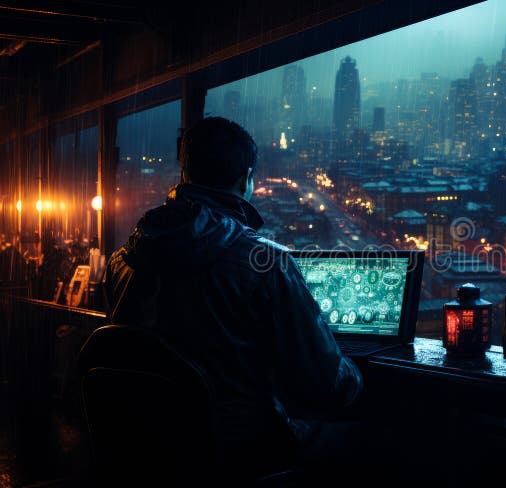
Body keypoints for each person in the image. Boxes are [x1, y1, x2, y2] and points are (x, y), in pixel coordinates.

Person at [103, 116, 363, 482]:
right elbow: (325, 385)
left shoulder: (121, 263)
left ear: (184, 175)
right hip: (238, 452)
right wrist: (354, 372)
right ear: (246, 179)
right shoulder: (265, 264)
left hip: (145, 448)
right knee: (366, 437)